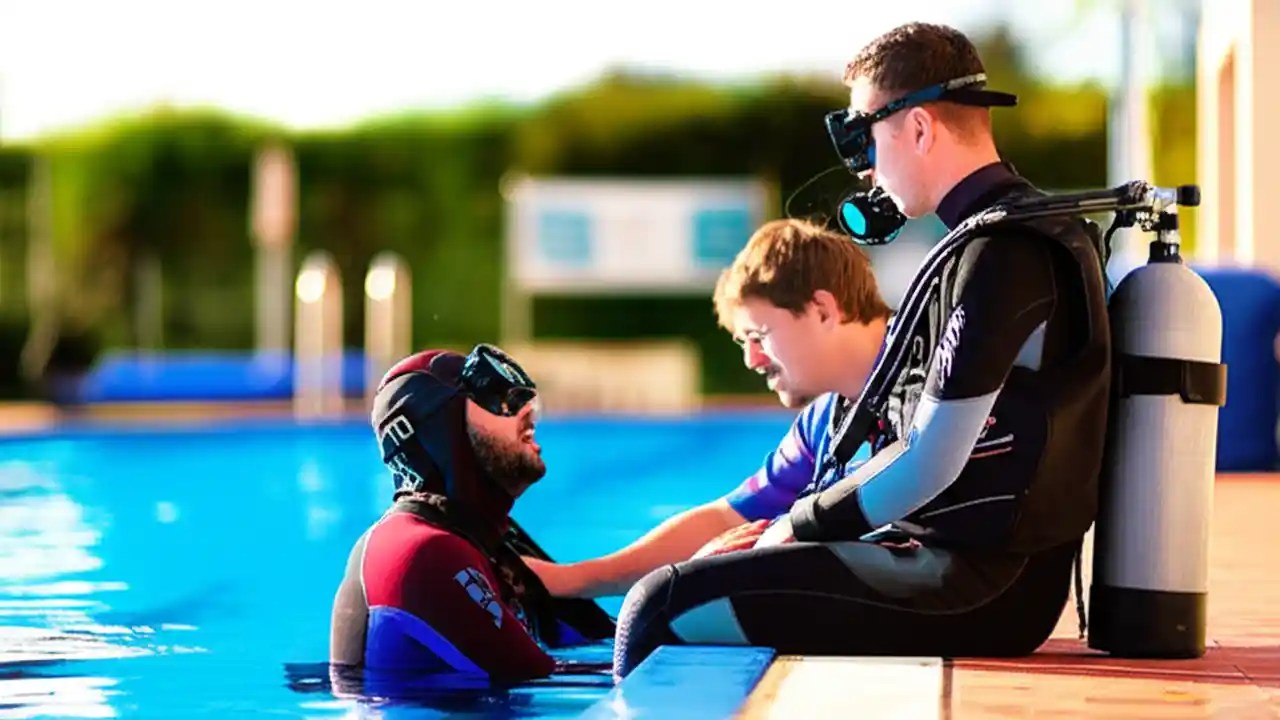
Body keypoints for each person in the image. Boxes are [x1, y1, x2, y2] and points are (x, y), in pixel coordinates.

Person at [610, 21, 1113, 679]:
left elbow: (930, 461)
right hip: (978, 568)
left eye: (861, 136)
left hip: (979, 585)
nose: (864, 166)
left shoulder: (1002, 254)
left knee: (658, 605)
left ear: (920, 128)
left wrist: (794, 525)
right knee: (701, 580)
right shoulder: (1016, 236)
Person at [522, 217, 893, 599]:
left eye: (758, 336)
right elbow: (726, 518)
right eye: (743, 342)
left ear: (822, 310)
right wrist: (571, 579)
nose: (751, 359)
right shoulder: (825, 421)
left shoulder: (934, 376)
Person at [328, 344, 611, 684]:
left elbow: (603, 637)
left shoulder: (490, 546)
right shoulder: (422, 552)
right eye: (494, 398)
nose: (525, 411)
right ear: (442, 432)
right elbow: (543, 676)